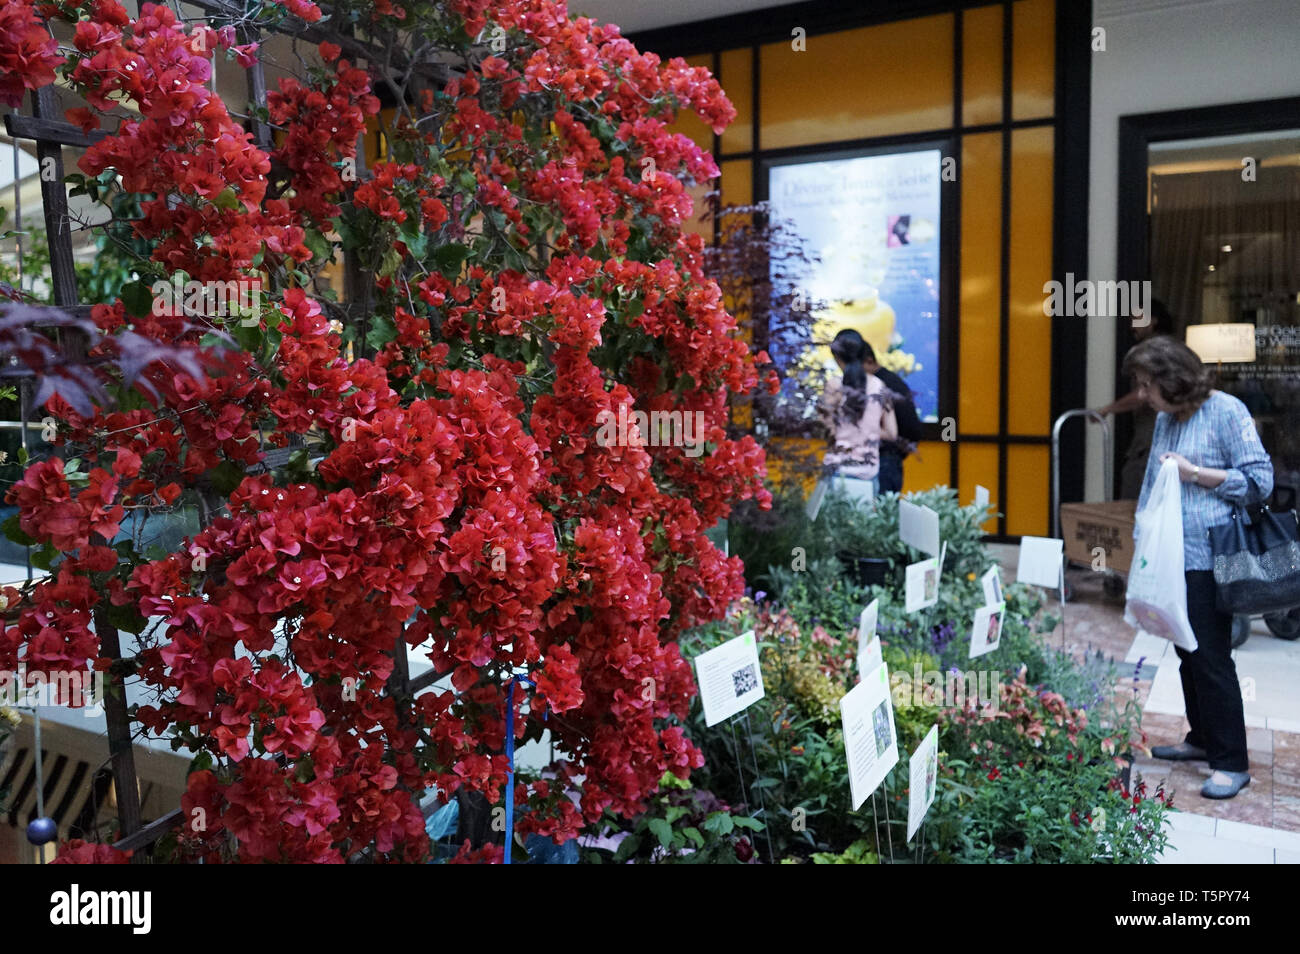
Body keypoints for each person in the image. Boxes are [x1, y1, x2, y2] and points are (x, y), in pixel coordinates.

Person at [1123, 335, 1273, 799]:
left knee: (1210, 659)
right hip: (1170, 558)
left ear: (1174, 380)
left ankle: (1232, 762)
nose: (1143, 396)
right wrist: (1140, 539)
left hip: (1212, 557)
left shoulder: (1226, 411)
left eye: (1149, 386)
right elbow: (1152, 482)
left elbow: (1260, 482)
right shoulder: (1167, 419)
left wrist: (1196, 474)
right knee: (1186, 653)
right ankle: (1201, 739)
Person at [1097, 300, 1172, 499]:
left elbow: (1141, 395)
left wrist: (1107, 409)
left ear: (1153, 321)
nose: (1132, 325)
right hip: (1158, 441)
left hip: (1149, 443)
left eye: (1137, 319)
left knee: (1133, 501)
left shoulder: (1153, 351)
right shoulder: (1169, 348)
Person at [819, 329, 898, 500]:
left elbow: (827, 430)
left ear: (837, 357)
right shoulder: (881, 387)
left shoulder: (833, 386)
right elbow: (892, 433)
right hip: (868, 474)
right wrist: (868, 430)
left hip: (837, 470)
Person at [859, 341, 921, 494]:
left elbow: (902, 430)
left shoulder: (879, 385)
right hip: (889, 460)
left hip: (885, 461)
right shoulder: (889, 380)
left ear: (868, 361)